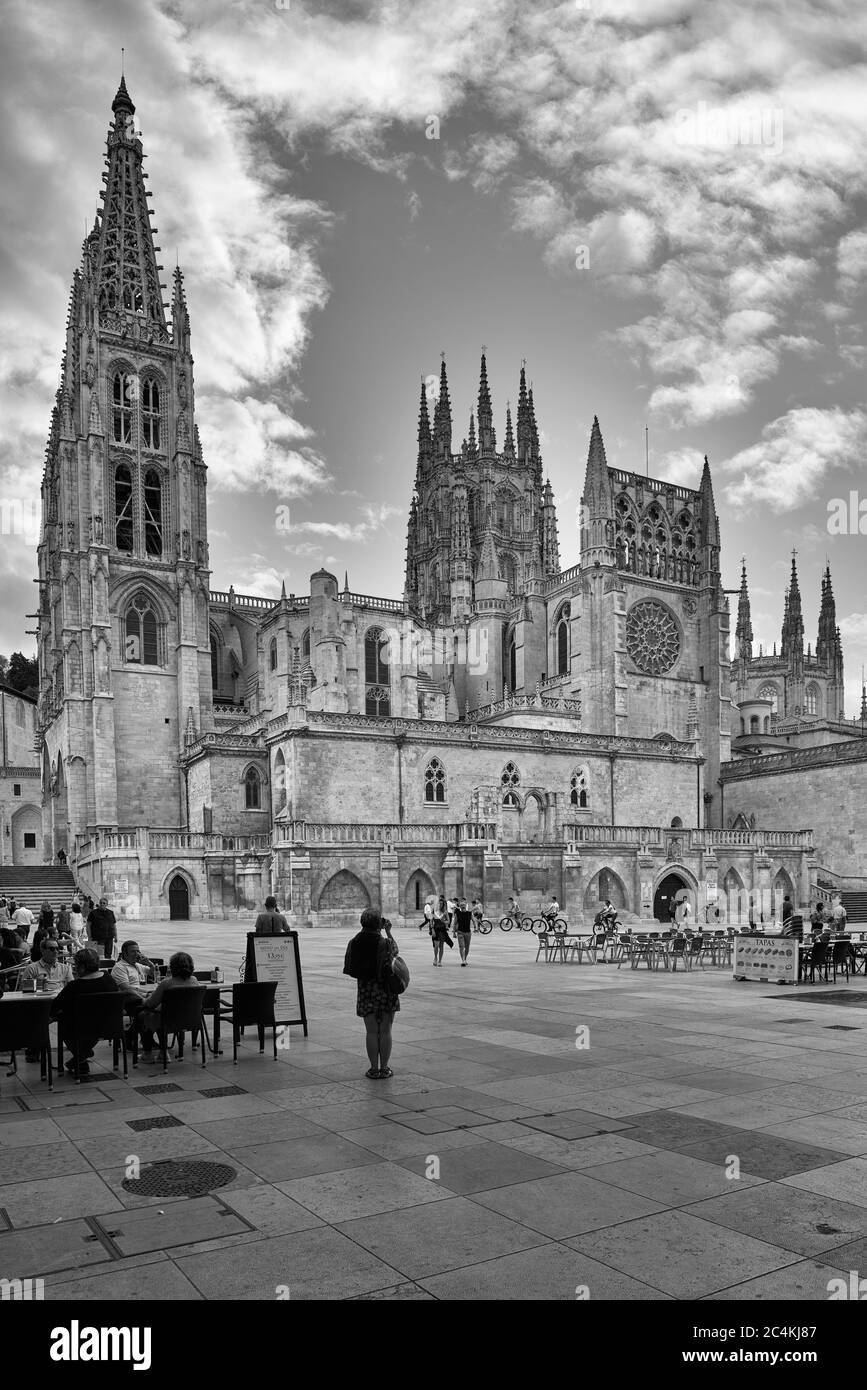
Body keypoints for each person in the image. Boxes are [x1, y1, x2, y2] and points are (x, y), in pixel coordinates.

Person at [343, 908, 400, 1079]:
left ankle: (373, 1069)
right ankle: (384, 1068)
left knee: (371, 1031)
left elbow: (349, 966)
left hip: (366, 991)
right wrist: (388, 932)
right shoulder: (385, 943)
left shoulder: (353, 942)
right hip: (385, 991)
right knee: (385, 1031)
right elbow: (396, 953)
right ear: (378, 924)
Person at [50, 948, 120, 1076]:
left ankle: (81, 1055)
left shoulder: (75, 986)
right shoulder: (109, 979)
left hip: (81, 1029)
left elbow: (55, 1006)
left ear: (81, 967)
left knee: (63, 1022)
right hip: (109, 1027)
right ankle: (82, 1055)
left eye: (75, 965)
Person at [136, 952, 202, 1060]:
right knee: (157, 1015)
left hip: (168, 1020)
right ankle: (162, 1052)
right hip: (190, 1019)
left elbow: (151, 1003)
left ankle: (148, 1053)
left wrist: (143, 999)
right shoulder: (194, 980)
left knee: (142, 1015)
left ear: (172, 967)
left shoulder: (167, 983)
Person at [112, 940, 158, 1052]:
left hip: (138, 997)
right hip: (125, 1000)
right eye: (133, 951)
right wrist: (144, 996)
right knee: (146, 1008)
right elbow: (126, 988)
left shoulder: (137, 965)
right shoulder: (120, 967)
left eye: (138, 951)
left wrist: (150, 964)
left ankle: (146, 1038)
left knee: (157, 1006)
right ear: (124, 954)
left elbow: (153, 974)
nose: (137, 954)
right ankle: (136, 1038)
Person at [430, 895, 453, 966]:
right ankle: (435, 958)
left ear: (443, 904)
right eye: (439, 903)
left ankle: (440, 961)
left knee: (441, 946)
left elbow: (448, 921)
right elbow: (431, 922)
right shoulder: (434, 911)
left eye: (442, 903)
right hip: (436, 929)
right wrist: (432, 930)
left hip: (442, 930)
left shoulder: (445, 912)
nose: (440, 904)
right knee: (436, 946)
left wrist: (443, 921)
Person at [453, 897, 473, 965]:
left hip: (468, 932)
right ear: (460, 907)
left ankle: (465, 958)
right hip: (460, 932)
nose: (462, 906)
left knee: (467, 947)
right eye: (461, 906)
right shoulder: (457, 914)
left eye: (463, 905)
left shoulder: (469, 913)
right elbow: (454, 923)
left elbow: (473, 920)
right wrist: (454, 932)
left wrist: (476, 927)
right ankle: (463, 960)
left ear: (466, 905)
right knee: (461, 946)